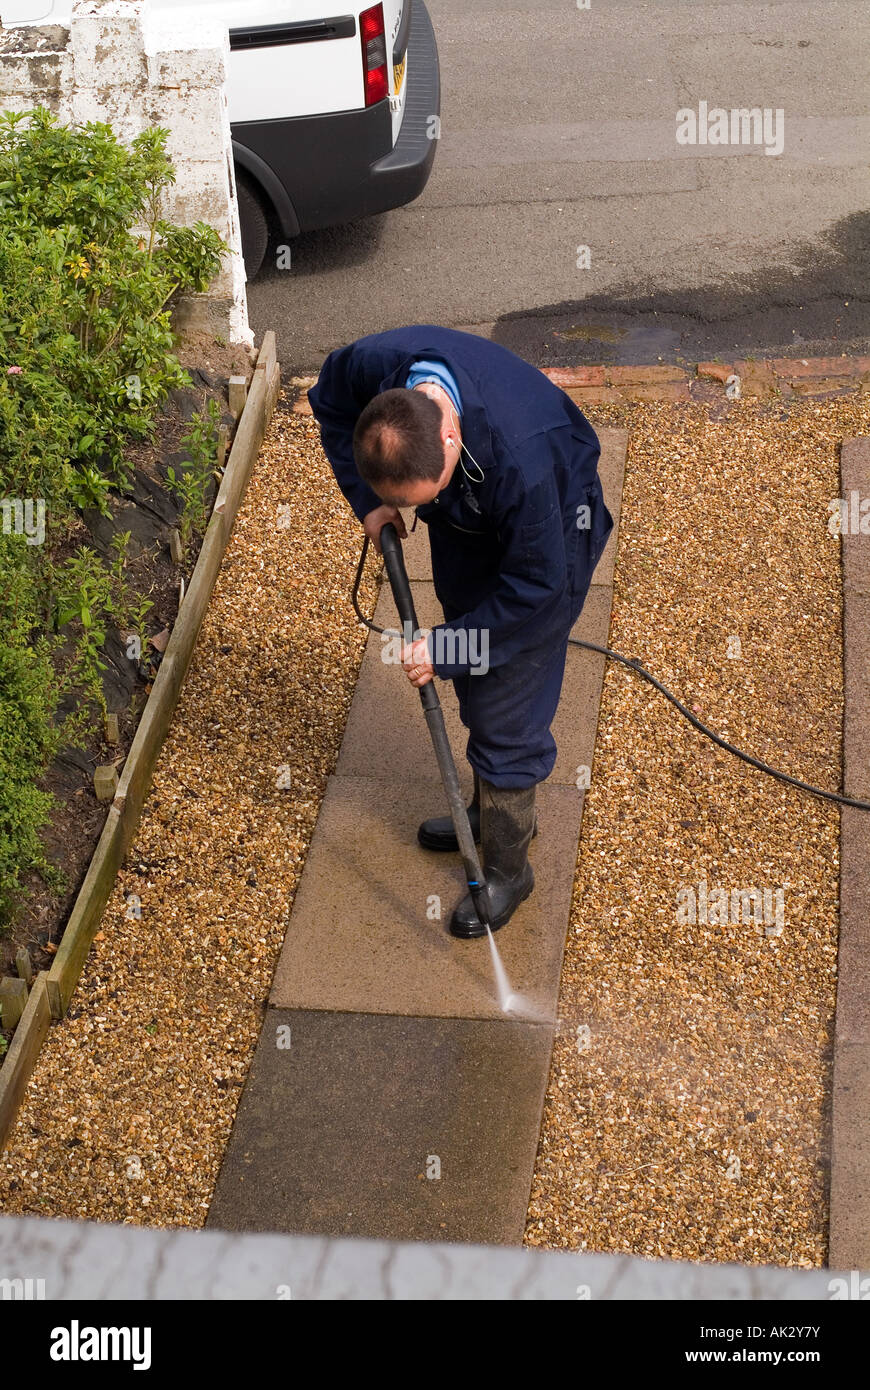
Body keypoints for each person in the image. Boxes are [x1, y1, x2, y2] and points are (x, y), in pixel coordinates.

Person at [308, 326, 613, 938]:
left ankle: (507, 868)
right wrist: (366, 503)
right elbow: (329, 402)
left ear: (452, 436)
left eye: (431, 491)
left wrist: (448, 647)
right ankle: (485, 813)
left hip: (552, 534)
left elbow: (536, 591)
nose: (419, 508)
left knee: (507, 704)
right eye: (411, 501)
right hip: (471, 519)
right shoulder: (375, 369)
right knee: (475, 669)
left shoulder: (524, 461)